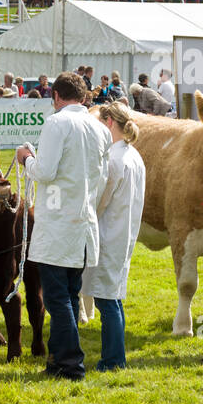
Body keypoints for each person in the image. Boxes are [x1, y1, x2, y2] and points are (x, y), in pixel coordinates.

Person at [16, 72, 111, 381]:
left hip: (59, 225)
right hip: (83, 222)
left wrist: (26, 158)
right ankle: (58, 360)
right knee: (68, 296)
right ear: (83, 96)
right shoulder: (99, 128)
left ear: (56, 95)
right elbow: (102, 176)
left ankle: (70, 363)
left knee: (57, 299)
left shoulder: (57, 123)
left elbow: (44, 171)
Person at [83, 102, 146, 371]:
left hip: (108, 235)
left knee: (107, 301)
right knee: (113, 298)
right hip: (124, 233)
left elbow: (100, 201)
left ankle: (113, 359)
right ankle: (114, 357)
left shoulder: (114, 159)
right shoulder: (133, 155)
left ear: (109, 123)